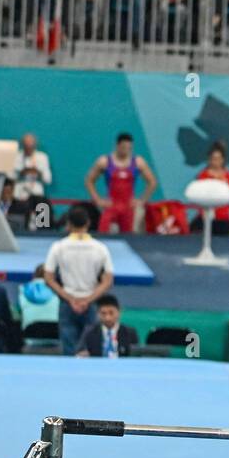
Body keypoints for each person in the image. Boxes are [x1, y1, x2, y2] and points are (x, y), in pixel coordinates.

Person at [44, 207, 116, 356]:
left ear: (68, 224)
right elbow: (108, 280)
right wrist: (87, 300)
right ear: (88, 223)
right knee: (91, 350)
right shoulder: (100, 248)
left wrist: (70, 299)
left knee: (70, 352)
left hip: (67, 302)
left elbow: (48, 278)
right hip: (90, 302)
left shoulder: (58, 247)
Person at [84, 133, 159, 235]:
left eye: (129, 148)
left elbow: (152, 182)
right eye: (124, 147)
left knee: (128, 236)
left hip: (128, 207)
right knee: (103, 233)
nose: (126, 151)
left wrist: (142, 200)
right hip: (111, 205)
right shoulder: (104, 161)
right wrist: (98, 200)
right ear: (117, 145)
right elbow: (89, 180)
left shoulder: (138, 162)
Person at [9, 133, 52, 228]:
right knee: (15, 205)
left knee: (43, 205)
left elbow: (48, 180)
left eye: (31, 146)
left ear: (35, 145)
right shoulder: (16, 157)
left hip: (37, 195)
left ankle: (43, 229)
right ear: (22, 145)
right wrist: (21, 173)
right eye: (26, 146)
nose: (28, 149)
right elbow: (9, 177)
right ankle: (18, 229)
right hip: (19, 196)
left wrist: (39, 173)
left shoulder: (42, 157)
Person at [76, 294, 138, 358]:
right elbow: (79, 353)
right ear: (98, 314)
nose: (107, 318)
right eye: (103, 313)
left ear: (119, 312)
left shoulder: (130, 332)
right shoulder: (89, 331)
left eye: (111, 313)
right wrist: (82, 355)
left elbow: (136, 356)